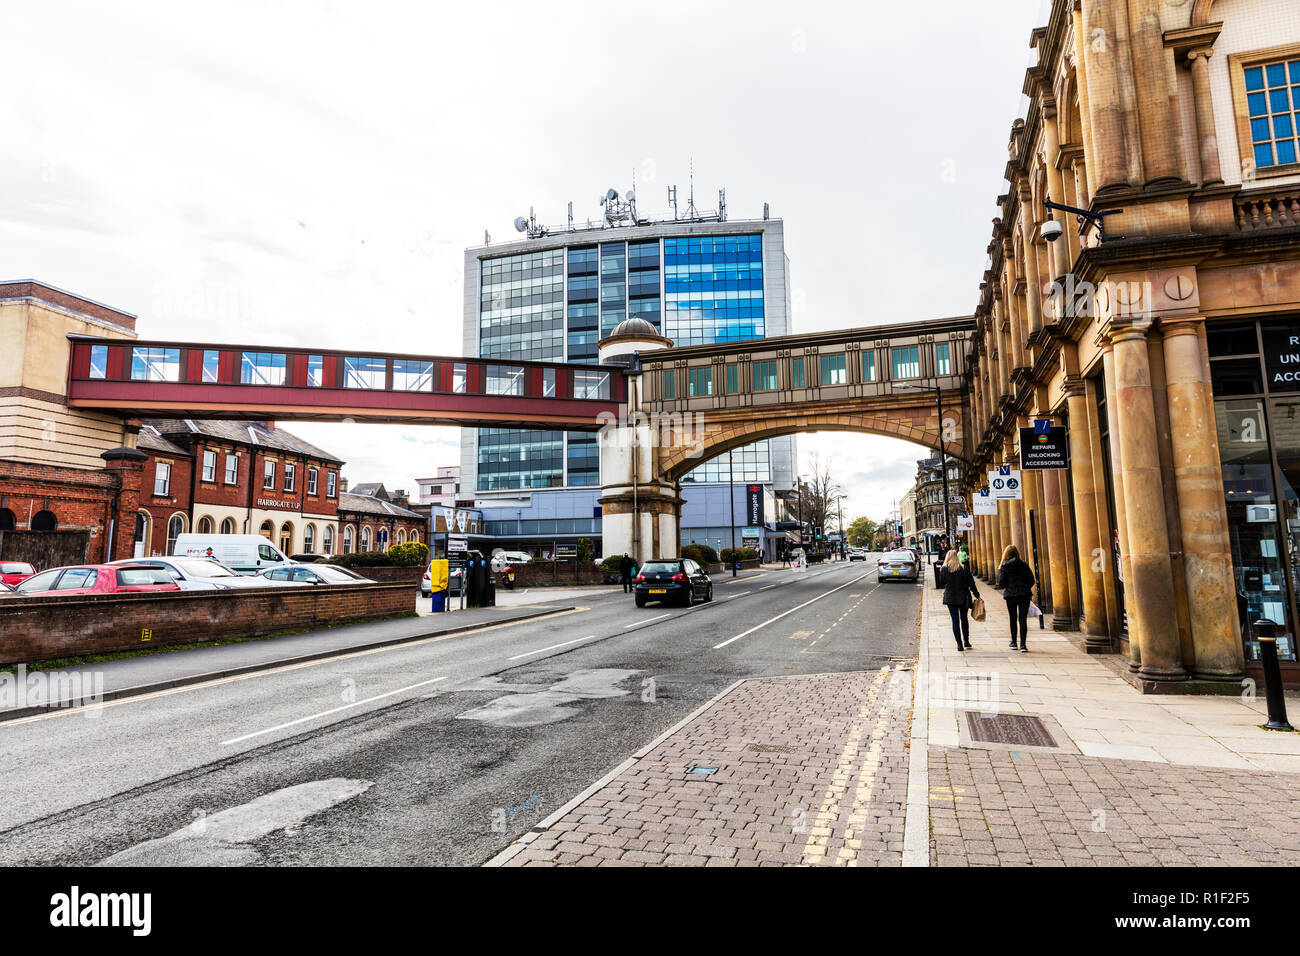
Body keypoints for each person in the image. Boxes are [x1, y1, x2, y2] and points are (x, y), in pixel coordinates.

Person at [997, 544, 1036, 652]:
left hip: (1011, 595)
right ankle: (1023, 645)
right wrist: (1024, 587)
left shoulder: (1004, 566)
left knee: (1013, 619)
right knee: (1023, 620)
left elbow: (1001, 583)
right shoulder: (1024, 565)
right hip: (1024, 595)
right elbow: (1031, 580)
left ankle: (1014, 642)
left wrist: (1009, 587)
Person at [938, 548, 979, 651]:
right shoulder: (964, 568)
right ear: (957, 557)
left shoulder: (944, 569)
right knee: (964, 619)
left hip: (951, 598)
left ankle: (959, 644)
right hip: (963, 597)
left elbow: (942, 582)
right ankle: (966, 641)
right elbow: (971, 583)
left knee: (955, 620)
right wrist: (976, 594)